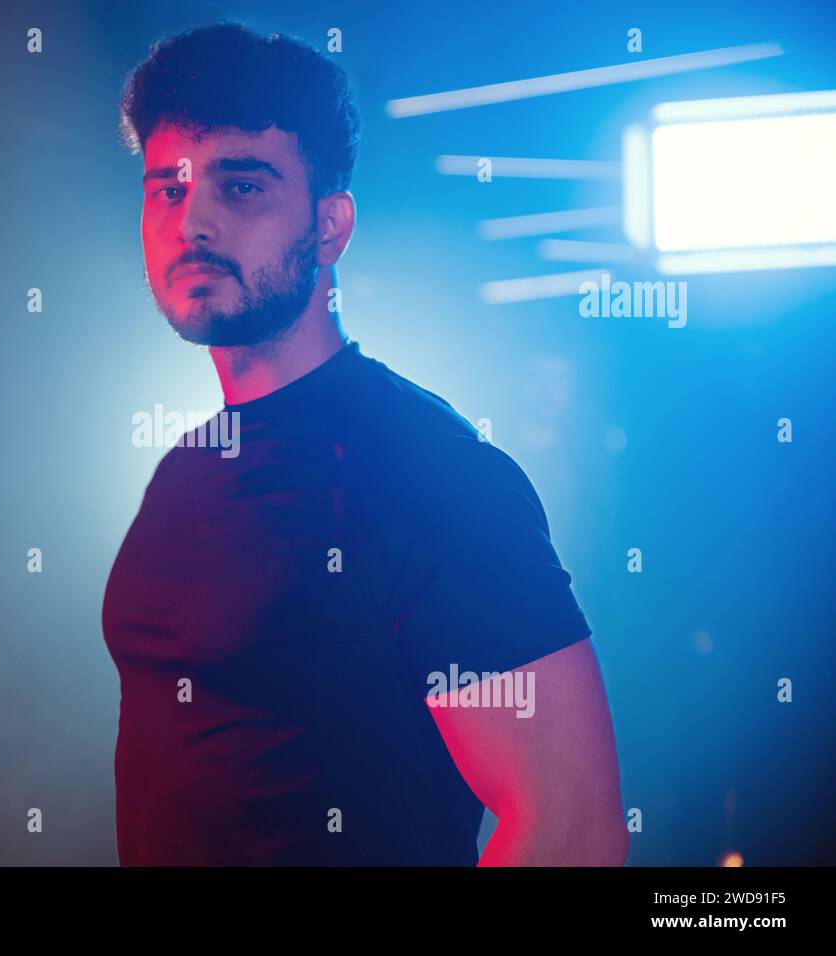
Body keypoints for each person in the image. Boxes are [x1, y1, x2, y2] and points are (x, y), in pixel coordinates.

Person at [102, 22, 628, 866]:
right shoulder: (182, 469)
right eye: (167, 187)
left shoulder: (426, 470)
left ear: (331, 227)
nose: (192, 219)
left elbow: (571, 828)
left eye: (241, 187)